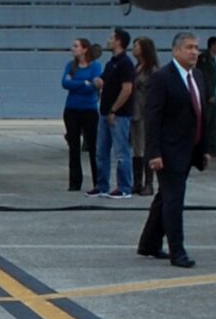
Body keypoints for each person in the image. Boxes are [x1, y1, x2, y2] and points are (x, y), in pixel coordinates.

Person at [136, 32, 210, 268]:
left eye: (196, 47)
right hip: (168, 151)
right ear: (176, 51)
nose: (194, 52)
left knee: (164, 197)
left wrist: (204, 148)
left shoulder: (197, 76)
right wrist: (154, 152)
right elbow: (153, 117)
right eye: (189, 47)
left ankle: (148, 243)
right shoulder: (162, 78)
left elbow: (201, 115)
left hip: (190, 149)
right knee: (174, 200)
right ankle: (177, 251)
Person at [95, 29, 137, 197]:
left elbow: (127, 89)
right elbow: (101, 82)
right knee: (102, 151)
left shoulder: (126, 63)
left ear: (119, 41)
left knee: (121, 152)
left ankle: (124, 187)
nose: (109, 40)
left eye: (112, 38)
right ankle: (102, 186)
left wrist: (114, 109)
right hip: (105, 113)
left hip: (118, 115)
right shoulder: (110, 63)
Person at [60, 38, 104, 192]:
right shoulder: (70, 66)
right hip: (71, 109)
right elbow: (65, 83)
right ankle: (74, 182)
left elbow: (93, 86)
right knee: (74, 146)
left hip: (89, 109)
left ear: (85, 49)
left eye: (76, 46)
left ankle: (98, 181)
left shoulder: (95, 66)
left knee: (93, 146)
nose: (73, 49)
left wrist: (78, 83)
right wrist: (83, 83)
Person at [130, 37, 159, 194]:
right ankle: (137, 182)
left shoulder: (152, 71)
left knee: (146, 149)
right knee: (136, 149)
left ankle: (148, 183)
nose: (134, 49)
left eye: (137, 46)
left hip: (146, 114)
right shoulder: (136, 68)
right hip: (135, 113)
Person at [198, 36, 216, 159]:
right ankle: (205, 148)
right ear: (212, 45)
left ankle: (213, 147)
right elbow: (205, 78)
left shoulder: (212, 60)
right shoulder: (204, 59)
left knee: (213, 123)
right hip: (206, 96)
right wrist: (209, 94)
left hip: (212, 95)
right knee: (206, 122)